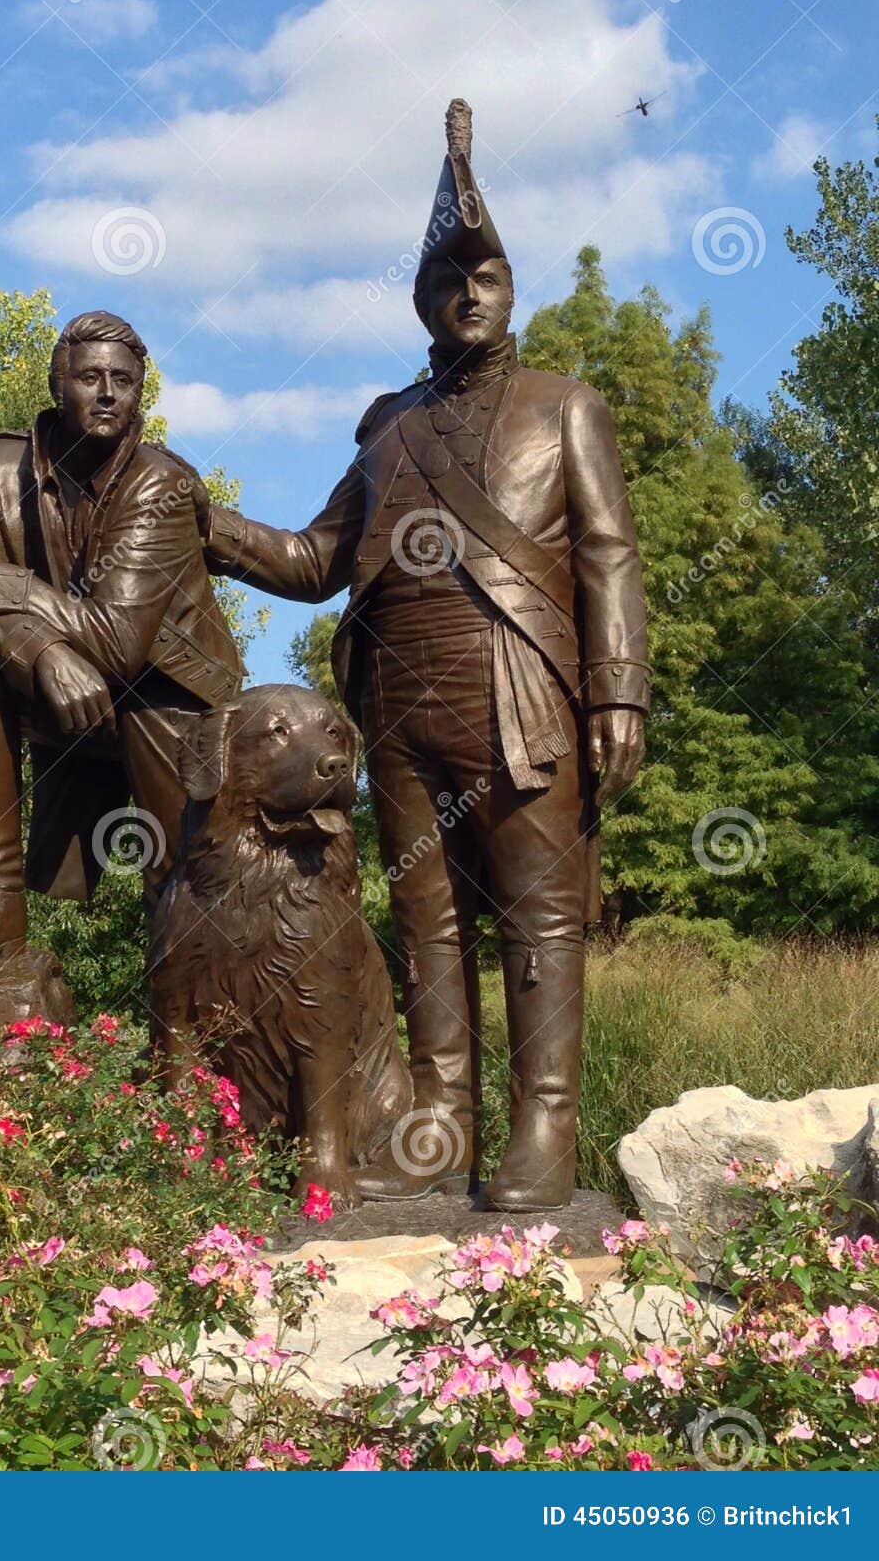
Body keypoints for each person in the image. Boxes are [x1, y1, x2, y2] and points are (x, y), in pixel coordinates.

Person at [200, 101, 649, 1210]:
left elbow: (609, 554)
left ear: (510, 289)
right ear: (422, 298)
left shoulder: (566, 409)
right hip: (397, 706)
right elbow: (314, 559)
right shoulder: (387, 428)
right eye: (448, 278)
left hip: (525, 696)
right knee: (425, 919)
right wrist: (198, 516)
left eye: (486, 274)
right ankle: (442, 1115)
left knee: (540, 921)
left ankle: (543, 1122)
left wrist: (621, 692)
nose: (469, 293)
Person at [0, 310, 241, 996]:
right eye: (91, 377)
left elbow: (119, 643)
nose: (109, 393)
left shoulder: (159, 483)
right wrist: (50, 656)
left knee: (187, 890)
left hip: (167, 697)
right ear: (60, 386)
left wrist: (0, 582)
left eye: (124, 380)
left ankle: (206, 1055)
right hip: (63, 696)